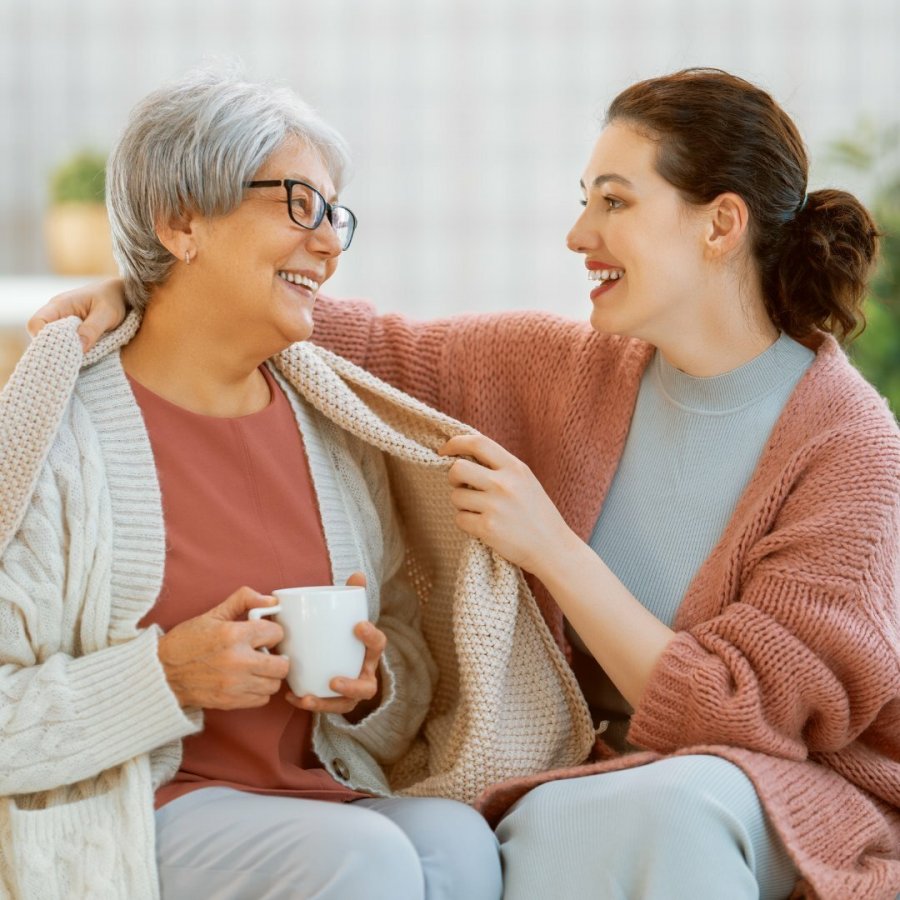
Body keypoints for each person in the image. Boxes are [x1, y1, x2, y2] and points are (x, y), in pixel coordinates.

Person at [32, 68, 900, 900]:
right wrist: (143, 283)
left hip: (776, 785)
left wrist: (552, 549)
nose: (578, 233)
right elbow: (345, 341)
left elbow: (747, 714)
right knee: (524, 827)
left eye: (614, 202)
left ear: (720, 226)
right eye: (583, 199)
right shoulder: (559, 371)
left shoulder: (848, 448)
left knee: (638, 815)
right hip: (593, 781)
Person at [1, 68, 503, 900]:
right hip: (138, 808)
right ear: (180, 221)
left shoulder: (334, 428)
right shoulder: (60, 438)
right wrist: (164, 675)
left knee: (458, 840)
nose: (331, 243)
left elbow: (404, 647)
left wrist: (370, 690)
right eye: (299, 204)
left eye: (335, 215)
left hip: (316, 799)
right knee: (364, 859)